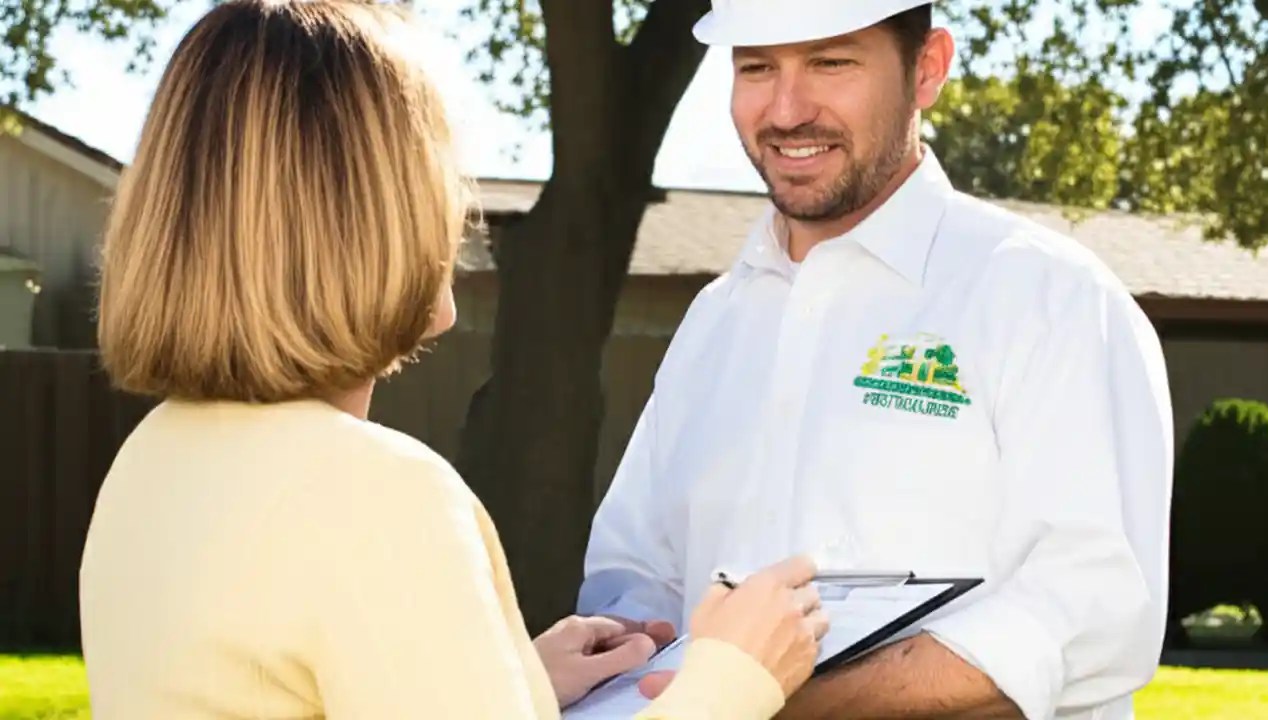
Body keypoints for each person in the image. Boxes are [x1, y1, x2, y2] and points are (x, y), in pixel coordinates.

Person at [76, 1, 829, 718]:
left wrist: (512, 686)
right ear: (373, 213)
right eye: (436, 174)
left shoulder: (151, 461)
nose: (454, 206)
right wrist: (733, 678)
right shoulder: (378, 496)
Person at [577, 1, 1175, 719]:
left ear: (927, 69)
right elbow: (635, 571)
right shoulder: (716, 321)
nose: (787, 110)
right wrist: (630, 661)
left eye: (832, 62)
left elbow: (1095, 608)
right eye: (756, 68)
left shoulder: (1049, 299)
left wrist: (777, 702)